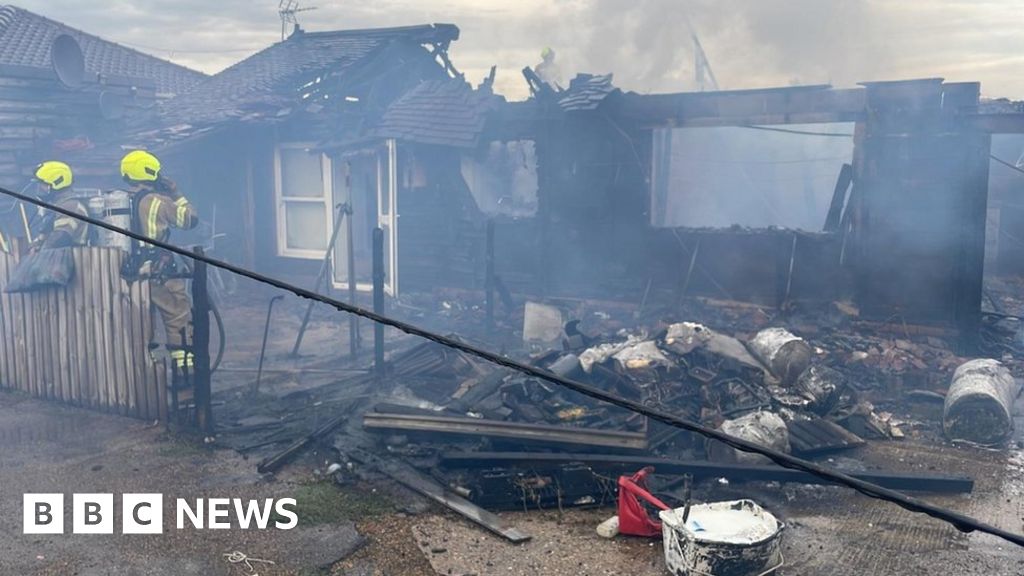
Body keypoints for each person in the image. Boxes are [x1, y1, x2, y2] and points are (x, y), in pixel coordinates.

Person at [120, 150, 199, 370]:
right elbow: (190, 220)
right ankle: (185, 370)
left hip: (130, 270)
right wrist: (177, 194)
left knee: (142, 319)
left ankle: (147, 371)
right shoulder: (158, 201)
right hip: (160, 271)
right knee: (178, 316)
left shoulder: (120, 200)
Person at [31, 160, 90, 249]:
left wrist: (38, 254)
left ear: (57, 183)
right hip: (57, 259)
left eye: (43, 185)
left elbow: (60, 238)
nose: (40, 189)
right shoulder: (58, 206)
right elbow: (42, 239)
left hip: (69, 260)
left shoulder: (71, 206)